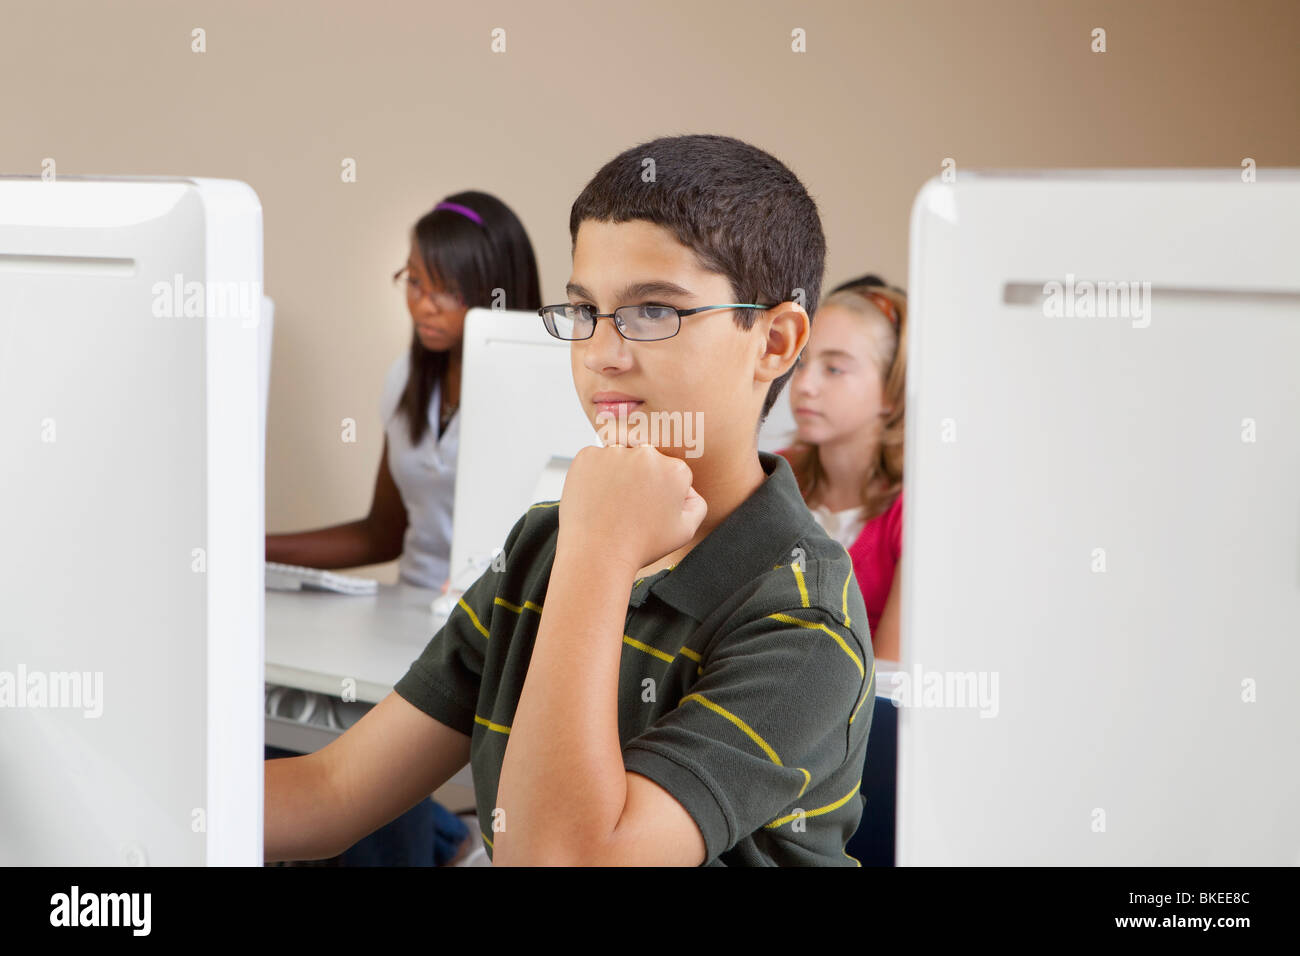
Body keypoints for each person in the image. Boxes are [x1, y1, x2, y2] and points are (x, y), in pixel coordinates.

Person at [265, 134, 874, 866]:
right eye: (586, 311)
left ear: (774, 342)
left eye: (654, 311)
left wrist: (600, 550)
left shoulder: (803, 617)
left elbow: (560, 859)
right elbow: (332, 790)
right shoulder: (543, 547)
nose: (602, 353)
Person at [265, 191, 542, 866]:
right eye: (415, 282)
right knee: (280, 723)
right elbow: (380, 534)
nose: (423, 304)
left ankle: (431, 843)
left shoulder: (543, 390)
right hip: (405, 610)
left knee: (364, 750)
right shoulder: (405, 383)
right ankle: (442, 840)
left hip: (487, 622)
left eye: (445, 289)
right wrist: (251, 545)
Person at [777, 277, 907, 663]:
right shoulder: (776, 476)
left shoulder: (914, 510)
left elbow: (886, 682)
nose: (804, 386)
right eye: (802, 364)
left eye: (834, 369)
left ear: (891, 391)